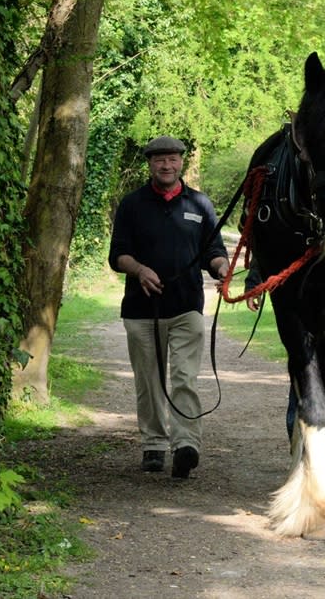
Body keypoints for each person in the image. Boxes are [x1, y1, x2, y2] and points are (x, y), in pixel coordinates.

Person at [108, 135, 230, 478]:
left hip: (187, 306)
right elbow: (117, 255)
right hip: (140, 310)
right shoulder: (132, 205)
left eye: (173, 159)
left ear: (181, 162)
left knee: (183, 377)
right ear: (150, 163)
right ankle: (153, 445)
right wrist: (139, 269)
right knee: (148, 381)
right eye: (160, 159)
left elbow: (213, 251)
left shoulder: (200, 204)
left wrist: (223, 269)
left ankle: (186, 445)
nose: (166, 165)